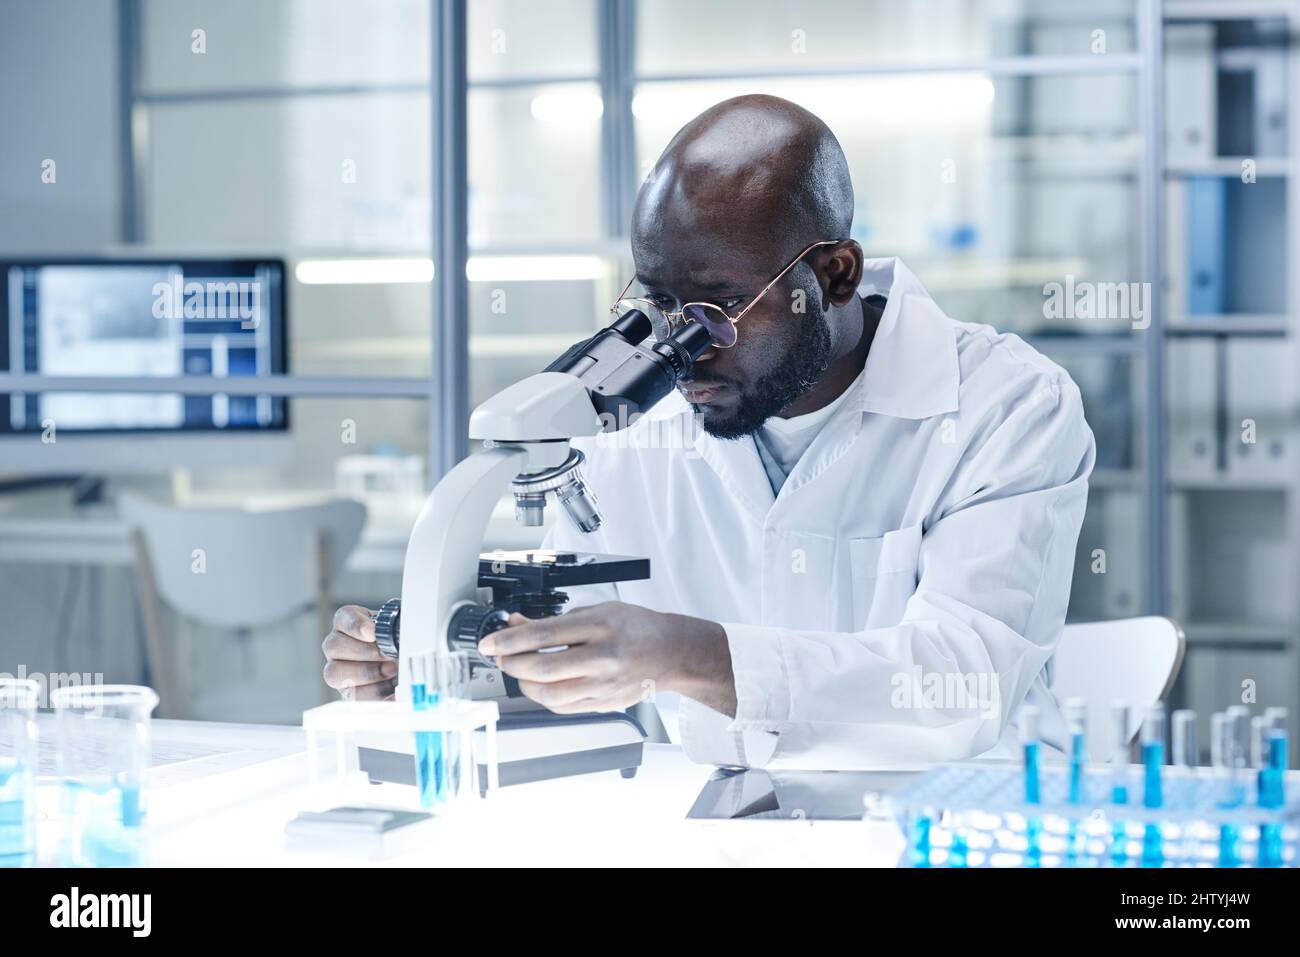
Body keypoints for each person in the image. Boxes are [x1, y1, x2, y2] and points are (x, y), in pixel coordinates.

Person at [323, 94, 1095, 770]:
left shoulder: (1007, 407)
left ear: (833, 276)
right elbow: (583, 676)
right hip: (717, 821)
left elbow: (962, 681)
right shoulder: (630, 418)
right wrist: (444, 667)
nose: (679, 347)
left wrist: (690, 655)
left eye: (717, 307)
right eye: (658, 303)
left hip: (960, 819)